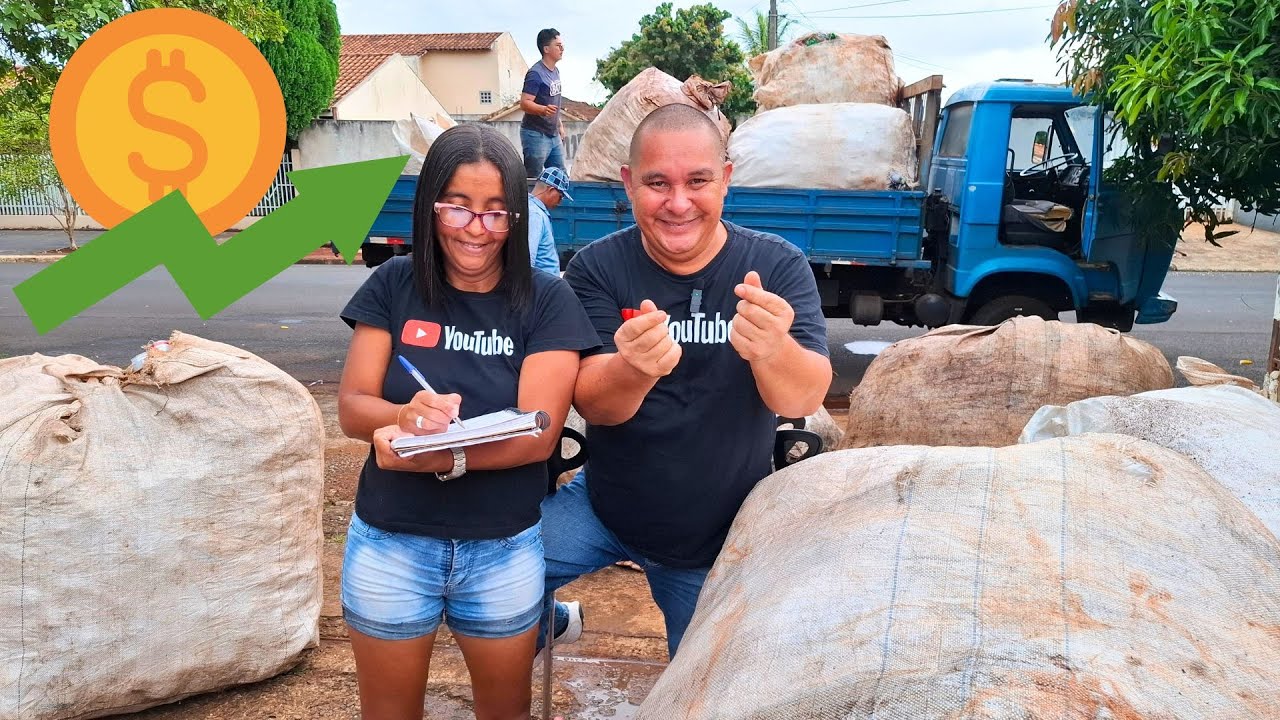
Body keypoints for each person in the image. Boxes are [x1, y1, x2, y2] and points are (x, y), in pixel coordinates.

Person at [539, 104, 833, 659]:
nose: (678, 203)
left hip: (712, 538)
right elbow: (594, 403)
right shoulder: (597, 269)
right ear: (629, 184)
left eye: (697, 181)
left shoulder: (777, 266)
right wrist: (632, 368)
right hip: (602, 508)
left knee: (698, 682)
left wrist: (773, 349)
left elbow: (803, 396)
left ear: (725, 178)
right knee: (493, 585)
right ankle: (550, 623)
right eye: (657, 183)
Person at [336, 123, 600, 720]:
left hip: (502, 548)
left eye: (496, 212)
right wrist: (403, 414)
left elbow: (537, 435)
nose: (477, 229)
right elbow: (353, 405)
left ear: (517, 218)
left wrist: (437, 456)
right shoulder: (394, 284)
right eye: (457, 207)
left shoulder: (547, 300)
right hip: (390, 544)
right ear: (431, 206)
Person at [520, 28, 566, 178]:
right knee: (534, 178)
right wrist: (543, 110)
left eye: (562, 45)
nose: (562, 48)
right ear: (546, 49)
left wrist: (559, 125)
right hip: (535, 135)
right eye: (558, 45)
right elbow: (524, 103)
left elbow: (553, 102)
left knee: (560, 177)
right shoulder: (535, 74)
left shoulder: (555, 71)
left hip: (553, 134)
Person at [527, 166, 573, 276]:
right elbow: (528, 257)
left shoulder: (534, 210)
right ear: (551, 190)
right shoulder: (535, 214)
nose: (560, 202)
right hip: (541, 284)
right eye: (560, 196)